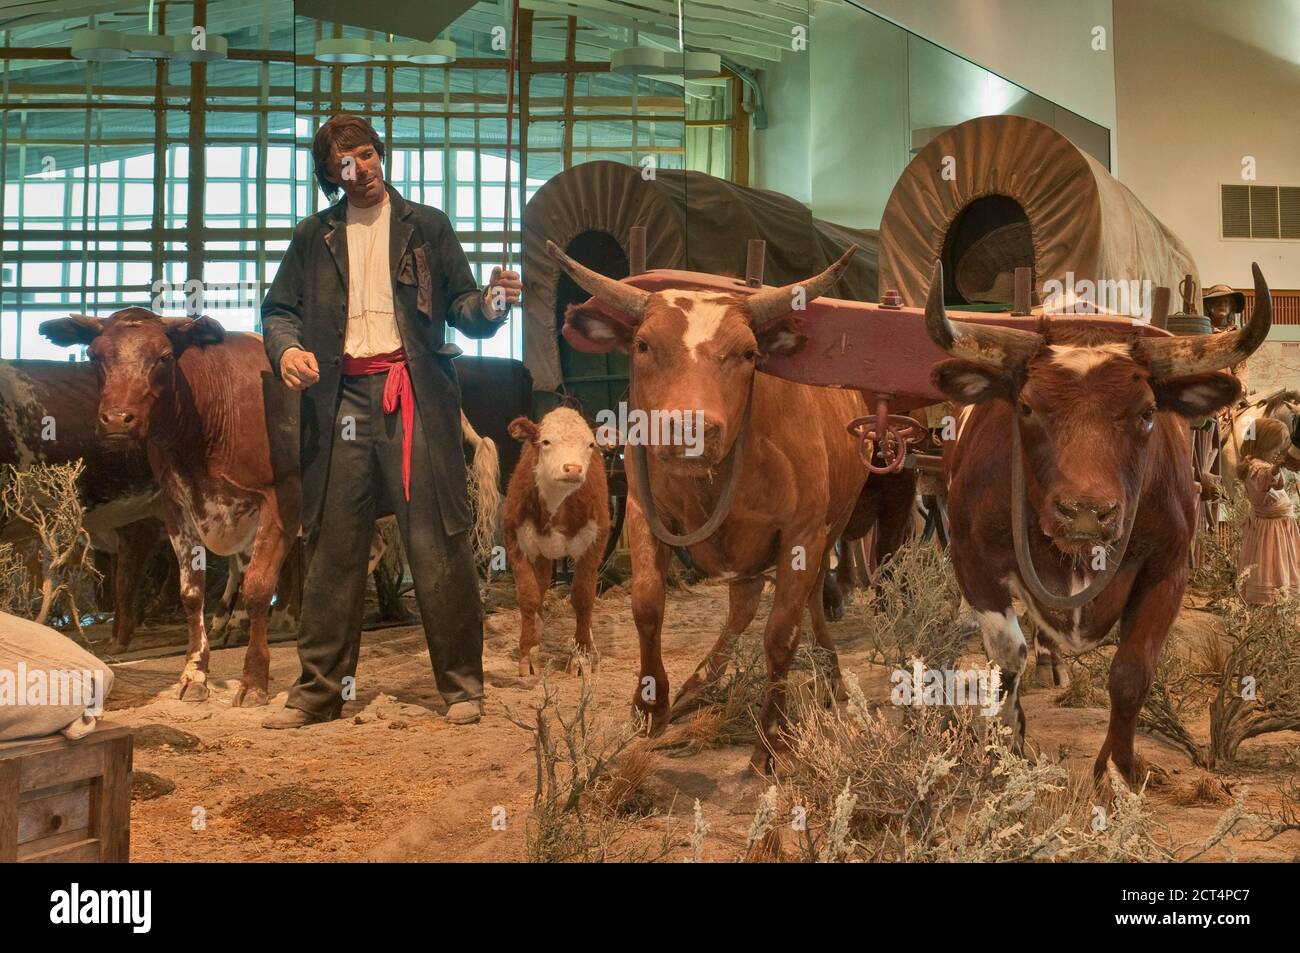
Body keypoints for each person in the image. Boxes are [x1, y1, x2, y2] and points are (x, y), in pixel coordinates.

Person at [259, 114, 521, 728]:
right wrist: (287, 349)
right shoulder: (313, 237)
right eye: (347, 163)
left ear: (381, 156)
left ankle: (461, 686)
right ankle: (319, 691)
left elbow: (463, 307)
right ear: (330, 177)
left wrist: (490, 303)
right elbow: (277, 310)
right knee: (333, 544)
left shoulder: (425, 227)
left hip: (415, 393)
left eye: (370, 154)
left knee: (437, 539)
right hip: (340, 396)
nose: (364, 169)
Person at [1236, 417, 1300, 605]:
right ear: (1263, 445)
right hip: (1271, 527)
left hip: (1279, 525)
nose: (1278, 453)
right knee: (1270, 561)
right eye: (1276, 448)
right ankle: (1268, 596)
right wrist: (1276, 468)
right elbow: (1264, 480)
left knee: (1279, 560)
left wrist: (1277, 468)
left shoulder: (1262, 464)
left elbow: (1278, 484)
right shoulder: (1256, 466)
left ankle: (1281, 592)